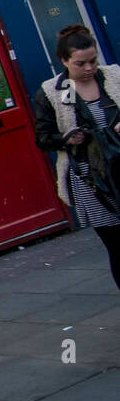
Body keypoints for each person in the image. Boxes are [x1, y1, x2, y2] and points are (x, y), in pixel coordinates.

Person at [33, 24, 120, 289]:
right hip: (91, 178)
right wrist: (67, 137)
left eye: (93, 61)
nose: (89, 69)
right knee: (117, 245)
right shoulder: (59, 91)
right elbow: (43, 138)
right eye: (80, 63)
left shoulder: (112, 77)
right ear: (64, 61)